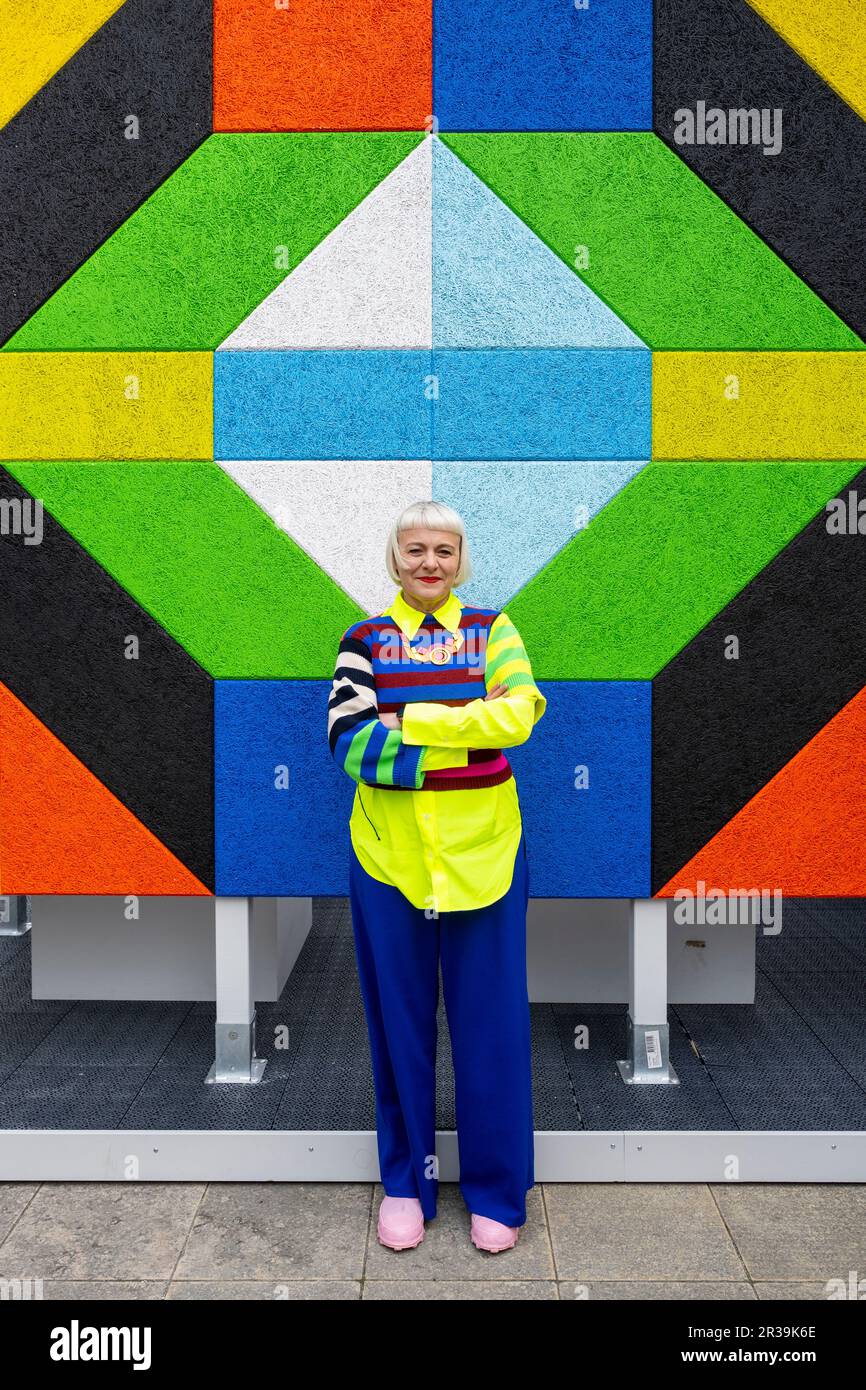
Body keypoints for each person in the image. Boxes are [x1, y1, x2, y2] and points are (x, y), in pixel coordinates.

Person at [326, 500, 547, 1253]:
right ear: (395, 558)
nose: (430, 563)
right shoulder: (362, 642)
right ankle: (405, 1186)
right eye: (415, 549)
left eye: (444, 551)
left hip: (486, 856)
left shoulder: (495, 631)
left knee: (492, 1029)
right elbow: (350, 746)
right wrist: (464, 728)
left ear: (461, 560)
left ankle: (496, 1191)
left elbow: (518, 717)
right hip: (388, 861)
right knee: (400, 1029)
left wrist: (414, 721)